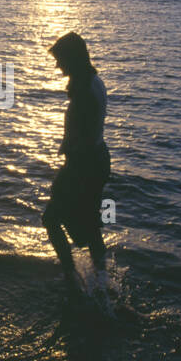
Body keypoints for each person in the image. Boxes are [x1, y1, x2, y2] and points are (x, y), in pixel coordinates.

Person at [42, 32, 110, 277]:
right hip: (98, 158)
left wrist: (68, 167)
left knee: (51, 219)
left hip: (84, 165)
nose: (57, 65)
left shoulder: (83, 93)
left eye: (60, 59)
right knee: (91, 227)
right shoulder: (95, 81)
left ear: (72, 59)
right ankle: (101, 279)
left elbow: (80, 138)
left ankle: (71, 276)